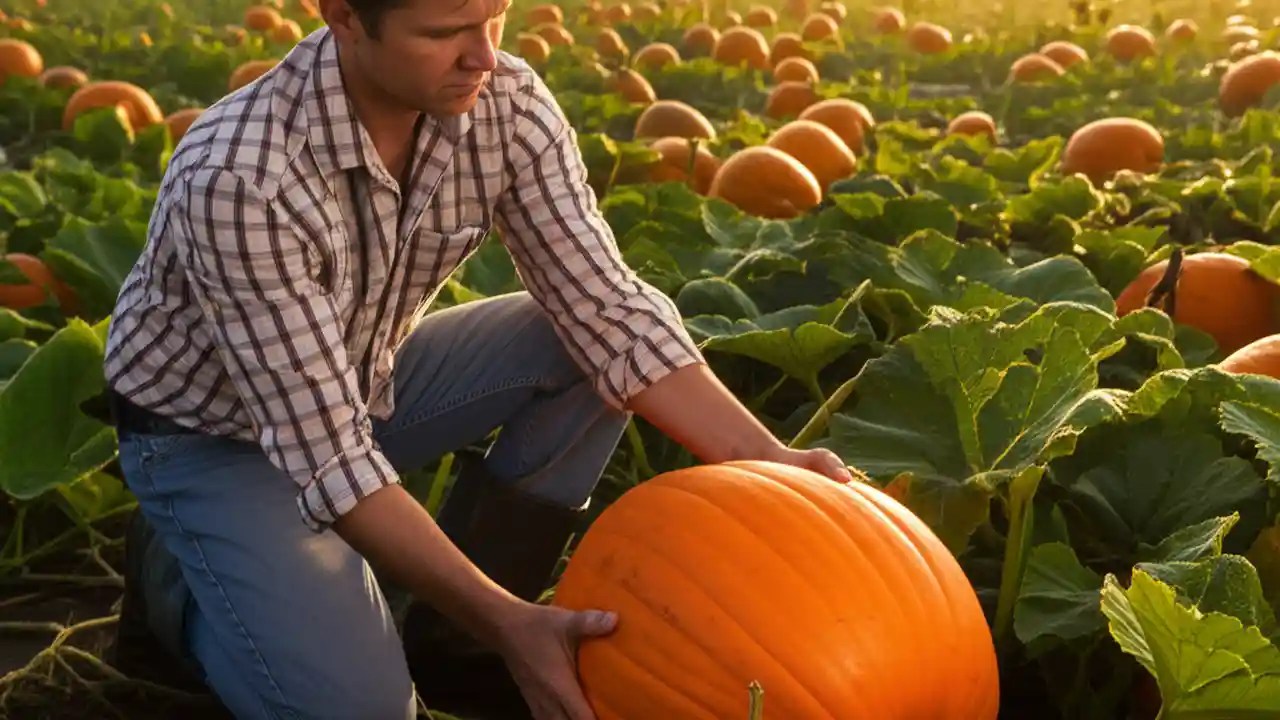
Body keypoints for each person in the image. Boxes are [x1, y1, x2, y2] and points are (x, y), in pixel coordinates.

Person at [102, 0, 854, 717]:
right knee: (358, 710)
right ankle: (180, 581)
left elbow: (609, 309)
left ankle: (457, 639)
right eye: (445, 30)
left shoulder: (505, 102)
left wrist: (769, 459)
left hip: (365, 385)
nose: (485, 55)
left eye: (497, 16)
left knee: (578, 340)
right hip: (212, 438)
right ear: (342, 17)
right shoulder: (240, 176)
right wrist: (510, 620)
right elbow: (327, 457)